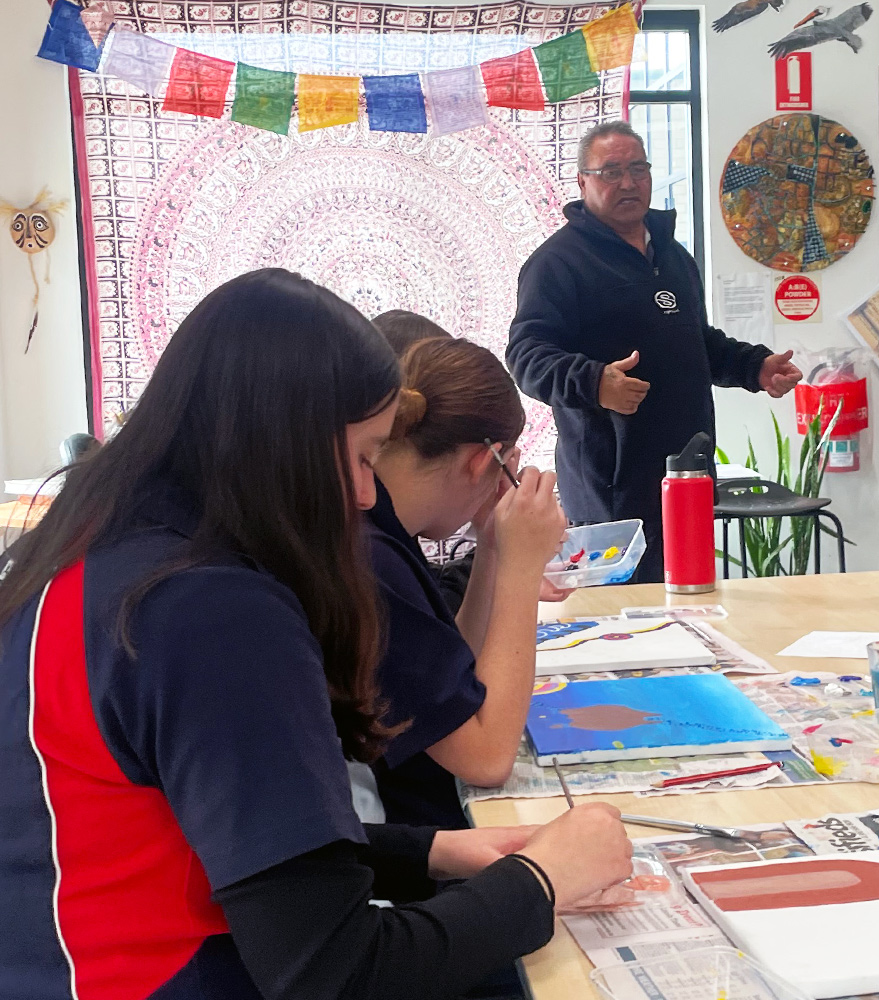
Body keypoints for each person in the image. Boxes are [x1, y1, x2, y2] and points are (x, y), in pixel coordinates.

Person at [0, 269, 632, 1000]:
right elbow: (333, 972)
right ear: (281, 442)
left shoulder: (92, 548)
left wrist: (430, 850)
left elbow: (230, 834)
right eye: (363, 457)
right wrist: (543, 881)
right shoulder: (212, 613)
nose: (368, 495)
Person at [507, 120, 803, 583]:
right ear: (583, 181)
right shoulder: (557, 263)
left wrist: (754, 368)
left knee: (689, 602)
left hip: (687, 474)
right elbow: (526, 355)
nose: (627, 182)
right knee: (622, 623)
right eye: (610, 171)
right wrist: (594, 382)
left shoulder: (673, 256)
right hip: (611, 487)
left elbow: (694, 342)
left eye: (637, 168)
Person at [365, 332, 567, 828]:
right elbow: (487, 759)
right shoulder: (371, 558)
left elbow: (460, 667)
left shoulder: (388, 528)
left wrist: (494, 546)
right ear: (484, 460)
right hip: (412, 840)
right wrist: (523, 568)